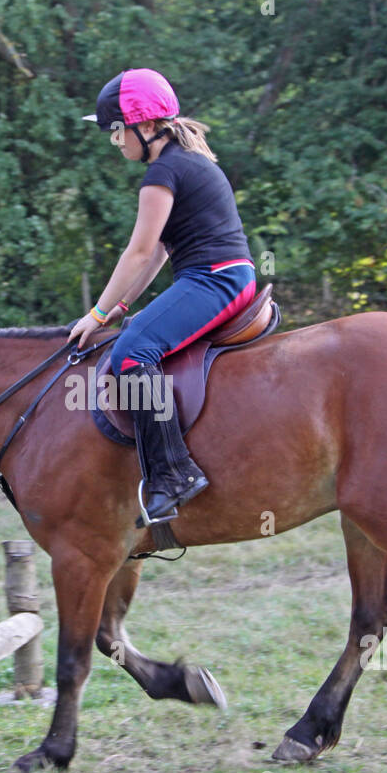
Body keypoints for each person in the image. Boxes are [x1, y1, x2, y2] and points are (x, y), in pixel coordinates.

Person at [70, 68, 257, 529]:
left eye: (117, 130)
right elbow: (154, 255)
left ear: (147, 126)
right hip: (221, 276)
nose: (115, 141)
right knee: (130, 333)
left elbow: (136, 253)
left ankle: (173, 474)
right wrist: (114, 310)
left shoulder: (163, 171)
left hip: (216, 279)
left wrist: (95, 313)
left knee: (133, 352)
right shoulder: (183, 162)